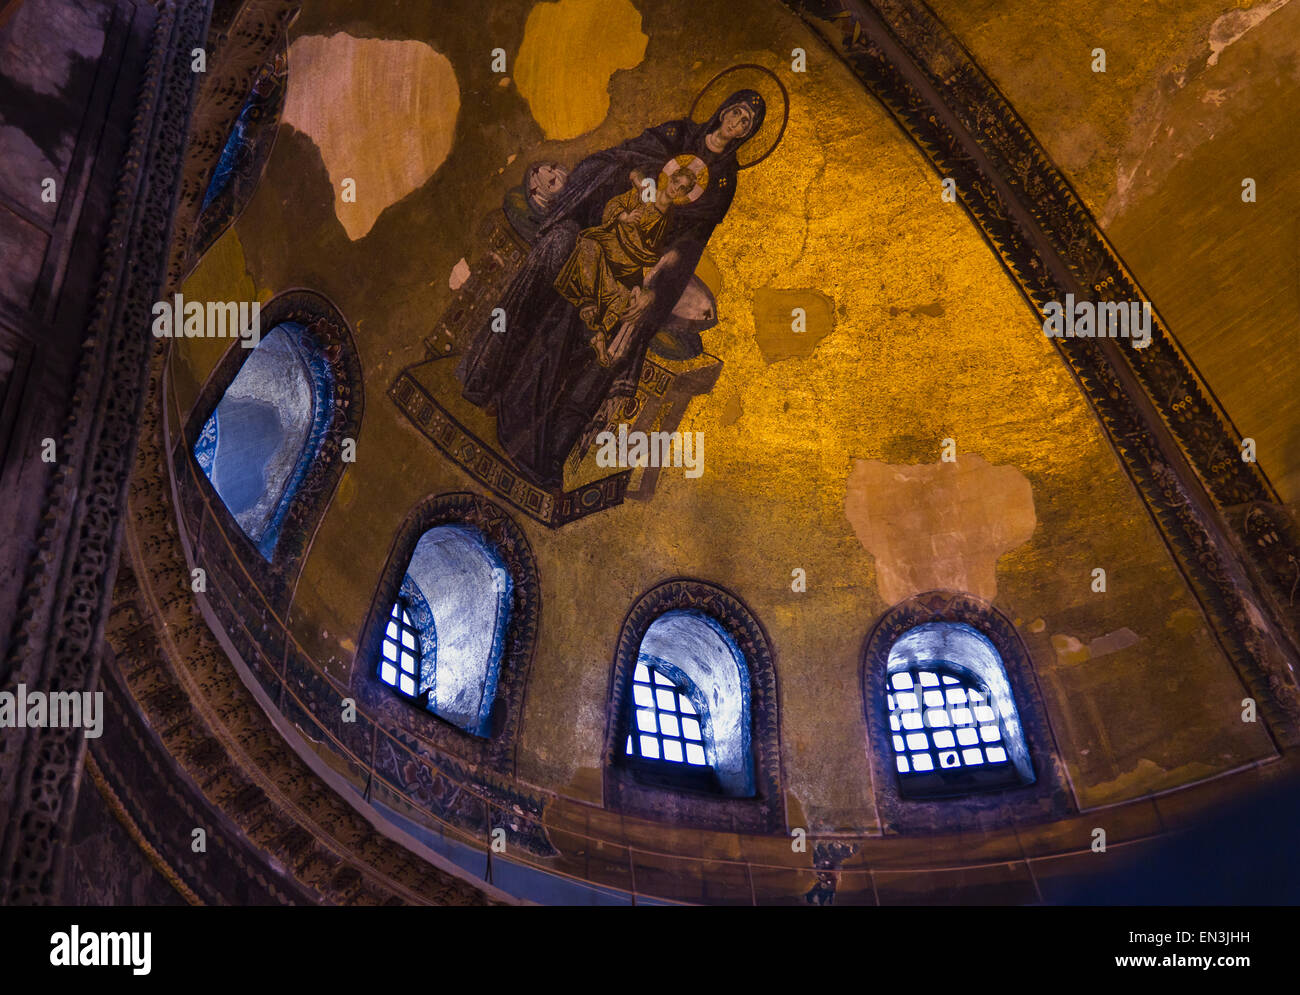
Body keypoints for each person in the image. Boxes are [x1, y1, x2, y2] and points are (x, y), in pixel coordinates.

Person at [457, 89, 766, 489]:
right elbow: (618, 162)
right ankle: (497, 386)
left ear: (748, 133)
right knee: (564, 307)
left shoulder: (723, 181)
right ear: (724, 108)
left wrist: (653, 286)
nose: (737, 123)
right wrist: (636, 186)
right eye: (737, 112)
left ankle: (546, 451)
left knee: (605, 342)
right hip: (601, 241)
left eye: (747, 123)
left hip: (639, 271)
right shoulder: (675, 134)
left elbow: (689, 245)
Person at [553, 155, 709, 365]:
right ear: (669, 179)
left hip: (633, 259)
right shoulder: (647, 192)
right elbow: (616, 205)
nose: (676, 189)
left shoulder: (671, 217)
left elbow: (655, 250)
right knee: (591, 245)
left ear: (685, 194)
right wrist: (624, 218)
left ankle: (599, 334)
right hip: (612, 241)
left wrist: (656, 259)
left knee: (627, 295)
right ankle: (591, 310)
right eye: (676, 182)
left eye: (682, 189)